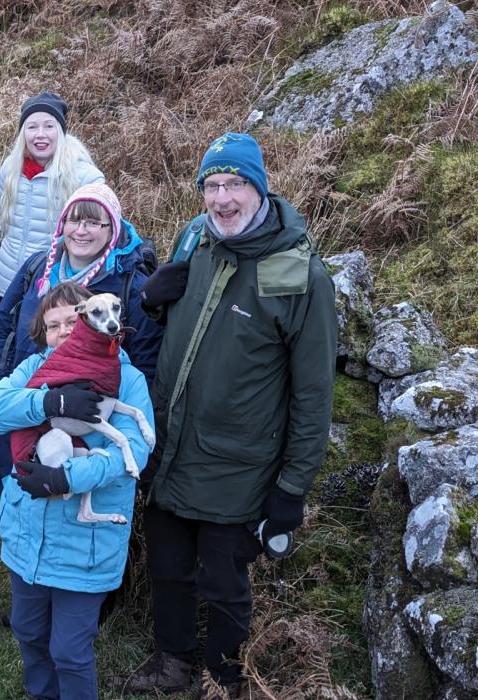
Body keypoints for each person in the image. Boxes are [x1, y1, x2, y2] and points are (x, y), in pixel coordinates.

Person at [124, 133, 336, 698]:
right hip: (171, 447)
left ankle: (226, 677)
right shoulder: (195, 239)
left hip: (238, 466)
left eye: (235, 183)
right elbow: (177, 331)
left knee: (223, 580)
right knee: (167, 561)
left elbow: (314, 394)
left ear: (259, 188)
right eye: (211, 185)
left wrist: (292, 487)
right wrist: (150, 301)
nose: (222, 198)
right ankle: (173, 660)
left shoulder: (296, 274)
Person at [0, 282, 154, 700]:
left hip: (85, 545)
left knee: (69, 651)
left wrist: (68, 478)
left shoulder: (125, 379)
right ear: (43, 330)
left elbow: (133, 453)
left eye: (69, 321)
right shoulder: (36, 369)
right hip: (28, 532)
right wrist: (49, 404)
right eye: (52, 323)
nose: (62, 331)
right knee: (28, 631)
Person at [0, 182, 162, 497]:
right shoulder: (39, 267)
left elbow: (147, 356)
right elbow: (5, 321)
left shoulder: (130, 285)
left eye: (94, 222)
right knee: (19, 487)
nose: (81, 231)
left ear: (113, 227)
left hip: (95, 409)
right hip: (30, 398)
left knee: (72, 496)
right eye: (74, 220)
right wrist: (8, 382)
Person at [0, 92, 104, 302]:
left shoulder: (85, 177)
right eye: (32, 127)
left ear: (61, 131)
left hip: (53, 291)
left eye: (49, 126)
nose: (40, 134)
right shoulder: (10, 169)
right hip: (6, 282)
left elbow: (100, 234)